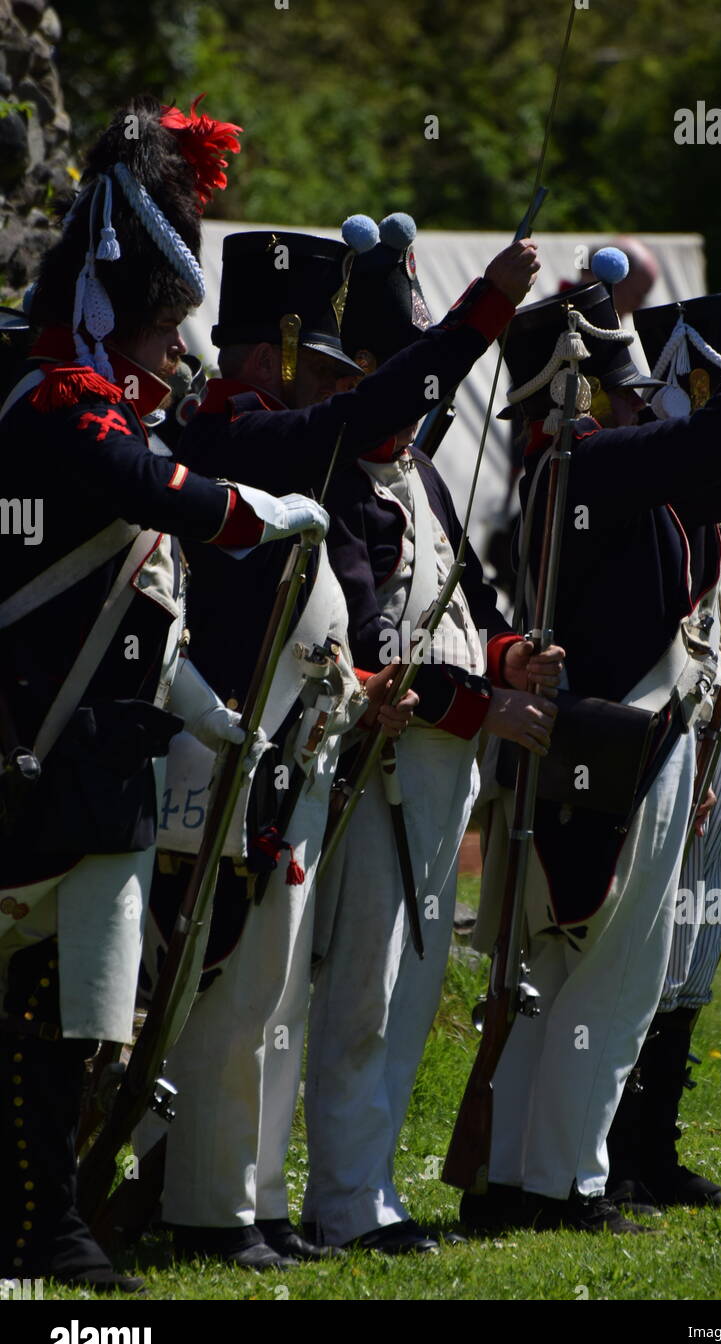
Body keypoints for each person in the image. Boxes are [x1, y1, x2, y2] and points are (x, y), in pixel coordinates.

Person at [134, 218, 541, 1268]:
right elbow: (374, 410)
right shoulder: (234, 436)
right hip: (229, 757)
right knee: (230, 993)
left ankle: (250, 1203)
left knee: (266, 992)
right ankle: (209, 1205)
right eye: (314, 364)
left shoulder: (269, 437)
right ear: (271, 351)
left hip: (293, 751)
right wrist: (485, 308)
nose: (330, 386)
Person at [0, 95, 326, 1290]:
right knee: (44, 1017)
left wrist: (208, 714)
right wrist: (252, 513)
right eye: (159, 326)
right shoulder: (48, 408)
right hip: (42, 754)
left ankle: (49, 1219)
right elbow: (145, 483)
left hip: (102, 761)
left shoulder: (90, 407)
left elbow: (139, 621)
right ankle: (49, 1228)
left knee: (75, 1018)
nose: (170, 353)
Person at [460, 254, 721, 1237]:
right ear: (580, 391)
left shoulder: (605, 471)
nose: (643, 399)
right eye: (623, 383)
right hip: (619, 748)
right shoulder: (593, 464)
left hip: (616, 746)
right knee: (610, 978)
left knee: (573, 977)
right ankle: (565, 1181)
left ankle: (522, 1176)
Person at [299, 212, 562, 1254]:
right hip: (382, 764)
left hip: (441, 766)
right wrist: (482, 701)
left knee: (407, 991)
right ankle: (343, 1202)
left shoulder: (422, 476)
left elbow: (469, 612)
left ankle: (371, 1191)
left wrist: (512, 661)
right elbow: (370, 650)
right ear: (364, 370)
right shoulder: (341, 478)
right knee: (365, 989)